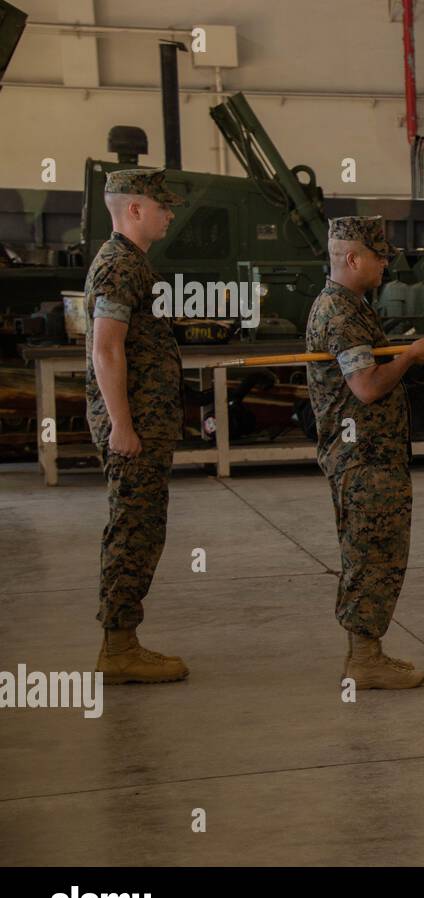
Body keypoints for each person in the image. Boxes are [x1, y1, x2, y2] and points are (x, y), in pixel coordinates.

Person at [306, 216, 424, 689]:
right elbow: (364, 387)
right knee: (371, 554)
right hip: (362, 458)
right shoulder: (340, 313)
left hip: (372, 453)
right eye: (378, 255)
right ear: (352, 257)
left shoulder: (352, 306)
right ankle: (363, 660)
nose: (385, 263)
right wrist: (409, 357)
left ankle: (369, 652)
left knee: (377, 553)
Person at [85, 168, 190, 684]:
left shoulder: (131, 264)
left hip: (145, 423)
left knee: (143, 526)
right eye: (161, 206)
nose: (169, 214)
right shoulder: (119, 267)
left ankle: (122, 643)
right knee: (133, 529)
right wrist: (122, 426)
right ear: (133, 209)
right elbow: (106, 348)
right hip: (134, 427)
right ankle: (119, 648)